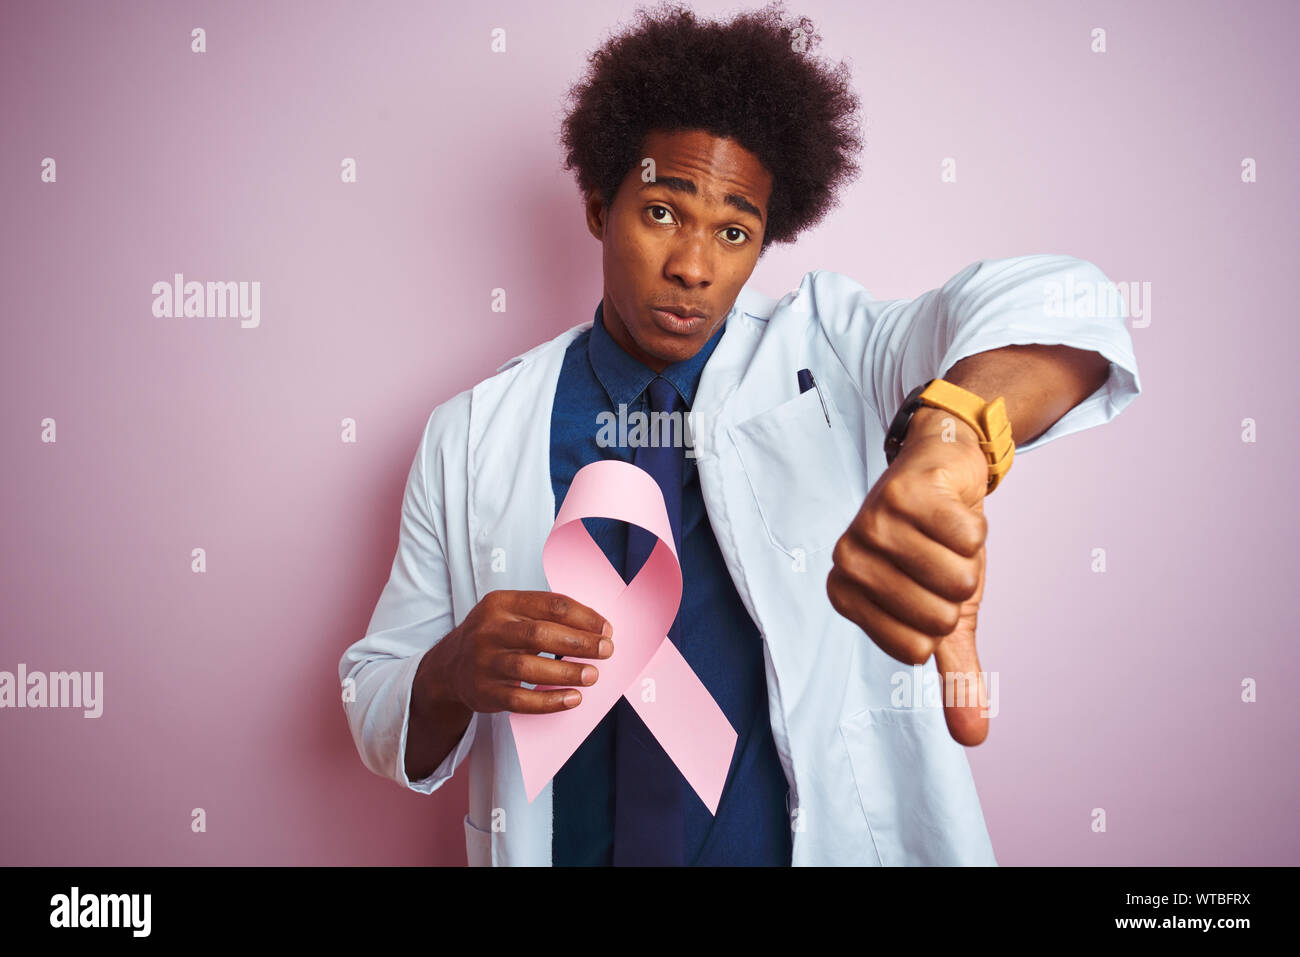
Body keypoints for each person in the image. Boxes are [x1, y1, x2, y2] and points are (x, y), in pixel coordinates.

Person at [339, 2, 1141, 866]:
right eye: (660, 212)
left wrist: (952, 436)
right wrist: (455, 669)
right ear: (597, 206)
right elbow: (375, 697)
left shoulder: (833, 355)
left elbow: (1060, 303)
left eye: (734, 230)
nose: (694, 265)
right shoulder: (468, 435)